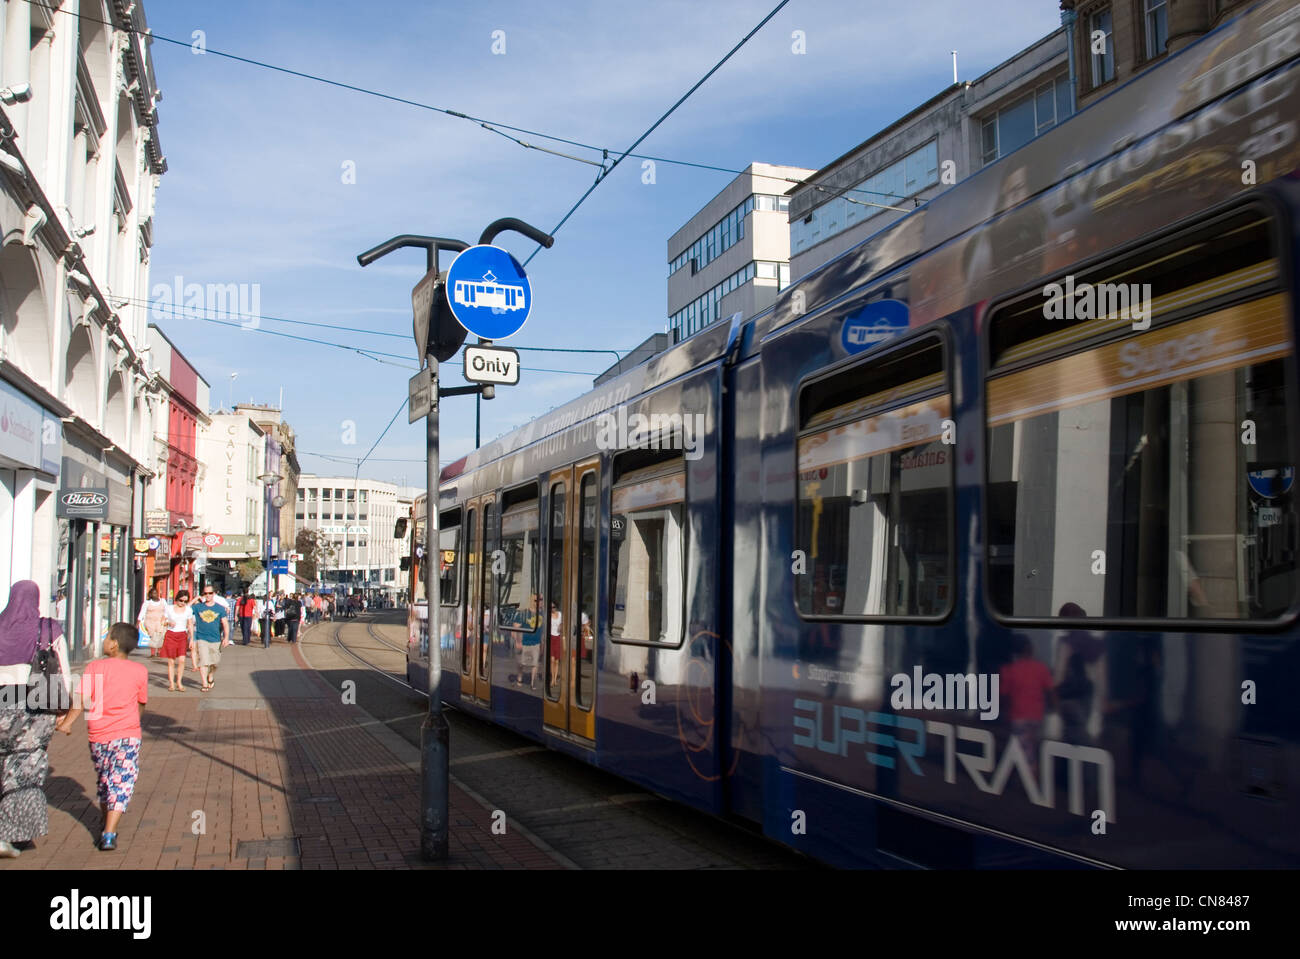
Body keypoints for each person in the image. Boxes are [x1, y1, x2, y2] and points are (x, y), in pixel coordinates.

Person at [54, 622, 148, 852]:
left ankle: (108, 830)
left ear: (114, 644)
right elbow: (141, 703)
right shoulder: (139, 671)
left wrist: (67, 723)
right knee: (121, 779)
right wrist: (135, 721)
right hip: (128, 734)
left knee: (106, 778)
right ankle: (109, 829)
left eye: (106, 637)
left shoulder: (95, 667)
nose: (104, 640)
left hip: (99, 735)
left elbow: (81, 699)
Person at [0, 581, 71, 858]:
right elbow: (61, 668)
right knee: (25, 768)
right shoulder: (48, 628)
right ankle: (9, 833)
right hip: (35, 702)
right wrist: (64, 707)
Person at [999, 635, 1057, 778]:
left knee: (1024, 750)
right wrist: (1054, 708)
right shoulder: (1041, 668)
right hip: (1037, 717)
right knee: (1030, 747)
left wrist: (1003, 713)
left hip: (1018, 717)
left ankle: (1030, 780)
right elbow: (1050, 692)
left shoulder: (1009, 670)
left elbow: (1004, 696)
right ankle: (1028, 776)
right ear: (1030, 649)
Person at [191, 587, 230, 691]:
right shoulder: (198, 607)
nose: (208, 595)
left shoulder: (220, 608)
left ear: (214, 594)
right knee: (204, 661)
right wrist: (195, 599)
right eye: (205, 593)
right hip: (201, 638)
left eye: (210, 593)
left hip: (216, 639)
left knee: (215, 663)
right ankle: (204, 684)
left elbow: (225, 624)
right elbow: (186, 609)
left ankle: (210, 676)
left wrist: (226, 638)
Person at [161, 590, 194, 692]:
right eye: (181, 600)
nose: (182, 603)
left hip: (182, 635)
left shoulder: (188, 610)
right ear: (177, 599)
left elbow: (190, 624)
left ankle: (179, 682)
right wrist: (168, 622)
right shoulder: (169, 608)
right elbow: (162, 621)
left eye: (185, 601)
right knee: (171, 661)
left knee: (182, 660)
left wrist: (192, 638)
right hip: (171, 635)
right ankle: (171, 683)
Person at [137, 587, 167, 659]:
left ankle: (159, 652)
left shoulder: (163, 601)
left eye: (156, 593)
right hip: (150, 622)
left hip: (160, 621)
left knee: (160, 636)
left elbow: (167, 611)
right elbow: (142, 612)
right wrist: (138, 622)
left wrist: (166, 619)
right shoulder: (147, 603)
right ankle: (153, 653)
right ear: (150, 594)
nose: (155, 595)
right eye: (153, 593)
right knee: (153, 636)